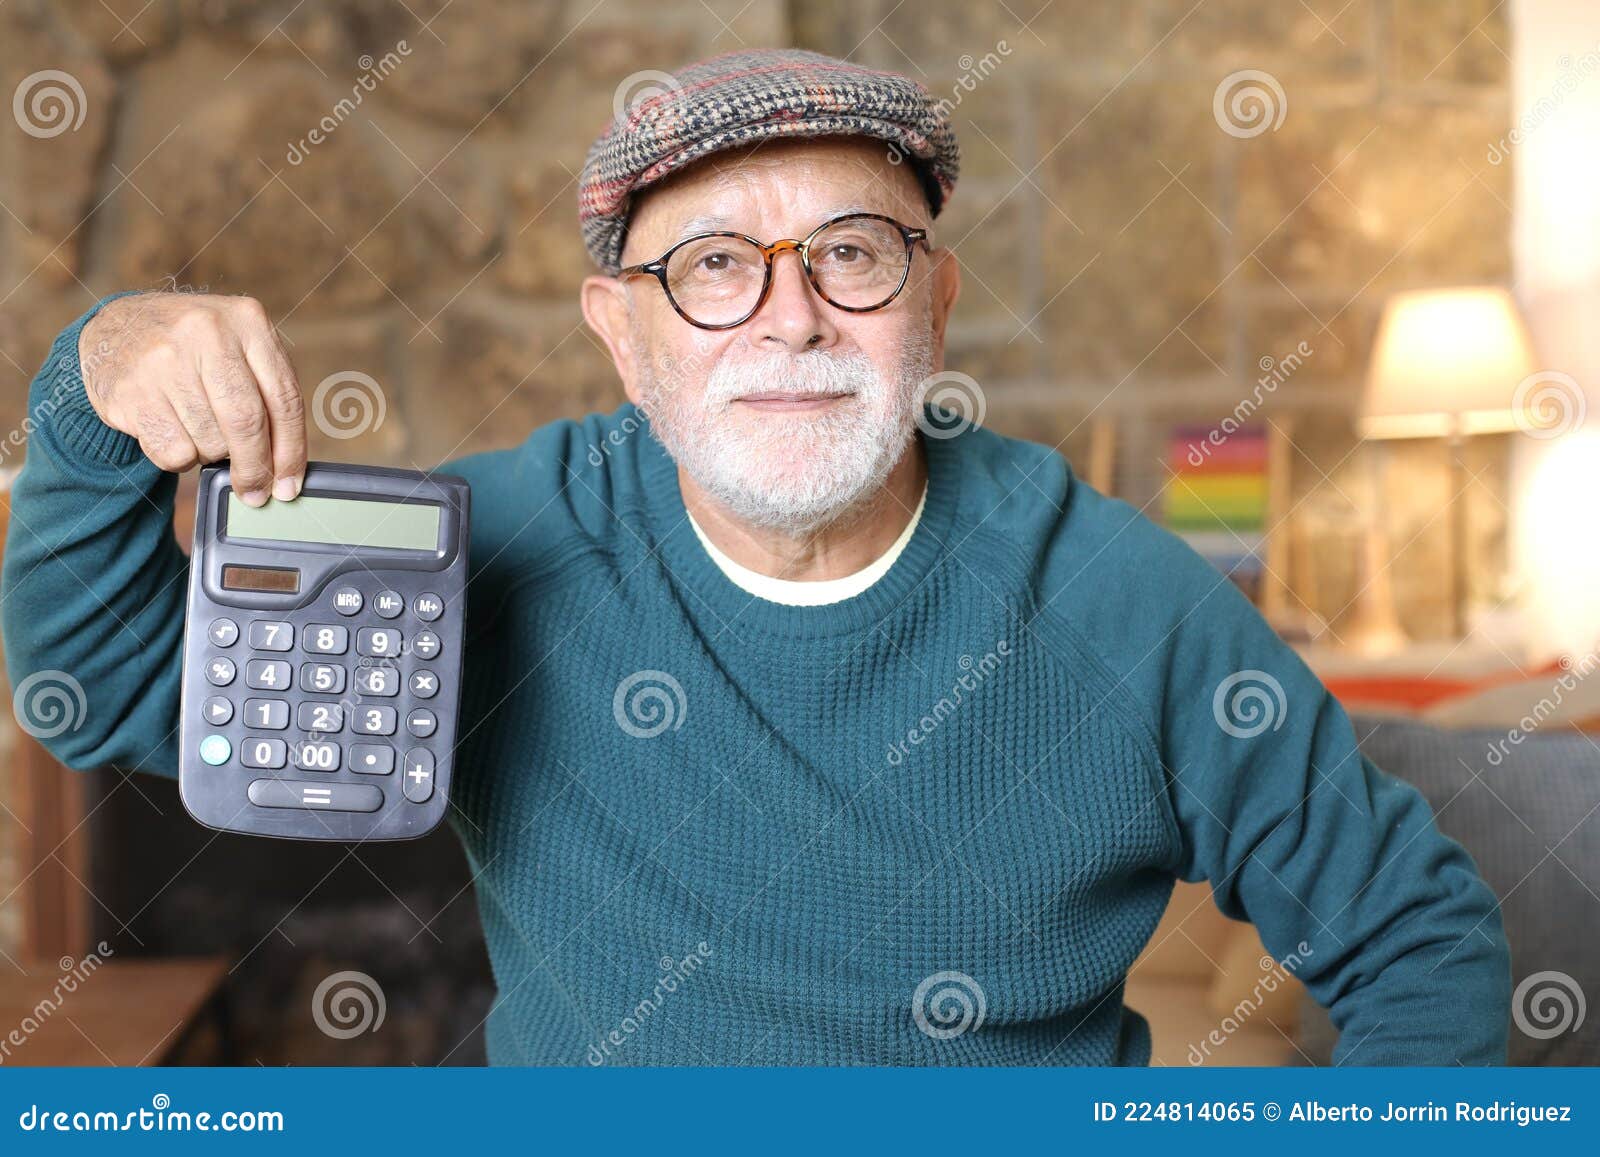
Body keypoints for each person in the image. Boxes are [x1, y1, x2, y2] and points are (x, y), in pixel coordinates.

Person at [2, 48, 1509, 1065]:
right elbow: (100, 691)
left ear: (935, 302)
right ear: (623, 334)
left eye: (851, 253)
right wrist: (92, 389)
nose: (791, 319)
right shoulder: (498, 545)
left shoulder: (1121, 598)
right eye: (715, 264)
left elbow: (1416, 935)